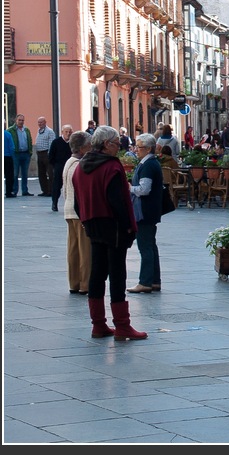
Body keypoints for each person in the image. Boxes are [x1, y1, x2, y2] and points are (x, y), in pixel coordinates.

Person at [71, 126, 147, 340]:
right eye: (116, 143)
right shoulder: (111, 167)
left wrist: (86, 221)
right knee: (117, 274)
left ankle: (98, 325)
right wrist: (128, 227)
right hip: (113, 227)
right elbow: (119, 202)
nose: (119, 148)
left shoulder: (81, 166)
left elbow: (77, 202)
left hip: (93, 225)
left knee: (97, 273)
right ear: (106, 144)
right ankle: (122, 326)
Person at [126, 133, 165, 294]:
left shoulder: (148, 165)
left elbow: (144, 189)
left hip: (144, 212)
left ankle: (145, 282)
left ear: (148, 149)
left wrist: (129, 188)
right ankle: (154, 280)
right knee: (150, 245)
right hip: (149, 211)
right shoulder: (149, 163)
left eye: (139, 147)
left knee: (145, 246)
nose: (136, 150)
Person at [61, 130, 92, 294]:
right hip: (79, 212)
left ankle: (74, 282)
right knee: (84, 250)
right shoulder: (79, 164)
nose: (91, 148)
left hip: (69, 209)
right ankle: (85, 284)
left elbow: (65, 189)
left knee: (73, 249)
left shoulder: (69, 162)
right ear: (82, 148)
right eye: (89, 145)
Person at [49, 124, 74, 212]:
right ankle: (54, 203)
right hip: (59, 167)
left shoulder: (73, 143)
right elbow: (51, 156)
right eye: (66, 132)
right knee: (57, 186)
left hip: (71, 167)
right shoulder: (56, 142)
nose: (68, 134)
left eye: (70, 132)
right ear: (62, 132)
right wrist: (56, 166)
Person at [7, 114, 34, 196]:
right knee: (15, 173)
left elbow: (30, 139)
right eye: (19, 120)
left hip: (26, 154)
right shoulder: (11, 130)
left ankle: (25, 191)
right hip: (16, 154)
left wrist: (30, 152)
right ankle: (14, 191)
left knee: (25, 173)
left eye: (22, 120)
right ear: (16, 120)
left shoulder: (26, 130)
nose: (21, 122)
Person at [33, 115, 57, 196]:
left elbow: (52, 144)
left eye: (41, 122)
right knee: (41, 173)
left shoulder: (50, 131)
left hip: (47, 154)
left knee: (50, 173)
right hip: (39, 154)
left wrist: (50, 155)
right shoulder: (39, 131)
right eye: (38, 122)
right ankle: (44, 190)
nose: (40, 124)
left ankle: (51, 190)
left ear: (45, 122)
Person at [4, 125, 16, 198]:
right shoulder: (7, 134)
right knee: (9, 175)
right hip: (7, 157)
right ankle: (8, 192)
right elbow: (12, 147)